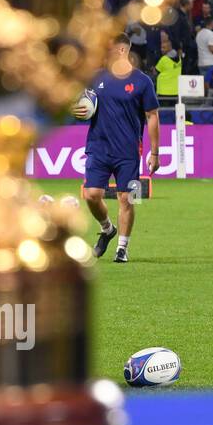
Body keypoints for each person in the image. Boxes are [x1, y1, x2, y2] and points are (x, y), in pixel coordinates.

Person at [78, 34, 160, 264]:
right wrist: (80, 110)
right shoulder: (96, 78)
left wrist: (155, 153)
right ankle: (107, 228)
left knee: (128, 198)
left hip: (129, 151)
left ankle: (122, 247)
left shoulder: (142, 81)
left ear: (122, 51)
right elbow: (82, 102)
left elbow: (152, 116)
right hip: (98, 147)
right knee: (91, 195)